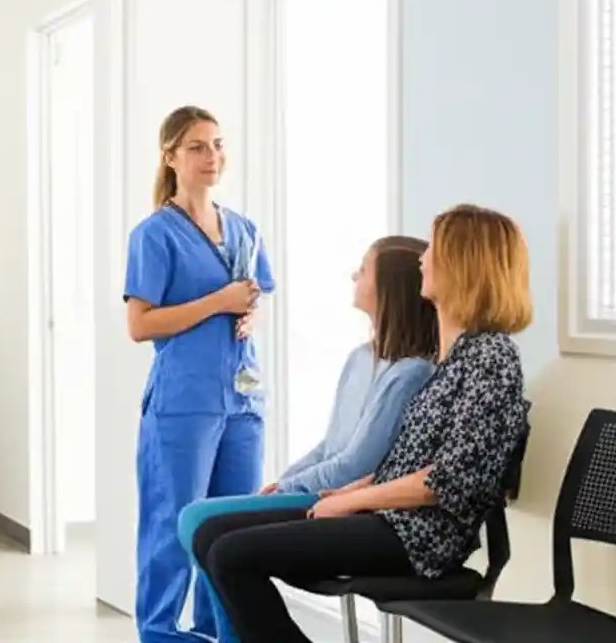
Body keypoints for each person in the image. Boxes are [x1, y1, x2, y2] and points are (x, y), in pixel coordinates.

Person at [191, 204, 533, 643]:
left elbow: (446, 480)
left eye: (434, 250)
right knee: (211, 534)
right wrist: (350, 492)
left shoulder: (491, 357)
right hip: (387, 515)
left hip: (418, 536)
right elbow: (411, 462)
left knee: (233, 556)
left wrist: (353, 502)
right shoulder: (457, 356)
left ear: (464, 264)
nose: (423, 259)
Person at [175, 235, 438, 642]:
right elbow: (329, 445)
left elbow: (356, 465)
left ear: (389, 287)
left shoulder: (410, 373)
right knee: (196, 518)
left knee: (204, 526)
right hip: (321, 488)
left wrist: (292, 487)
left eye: (364, 268)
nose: (354, 274)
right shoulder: (360, 358)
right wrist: (283, 482)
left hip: (347, 499)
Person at [125, 106, 275, 643]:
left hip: (242, 401)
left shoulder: (243, 227)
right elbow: (140, 325)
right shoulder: (154, 235)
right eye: (197, 147)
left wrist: (249, 309)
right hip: (183, 403)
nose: (212, 156)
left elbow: (253, 294)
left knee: (229, 530)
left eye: (217, 144)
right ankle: (162, 633)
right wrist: (219, 302)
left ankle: (222, 633)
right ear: (170, 157)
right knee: (173, 527)